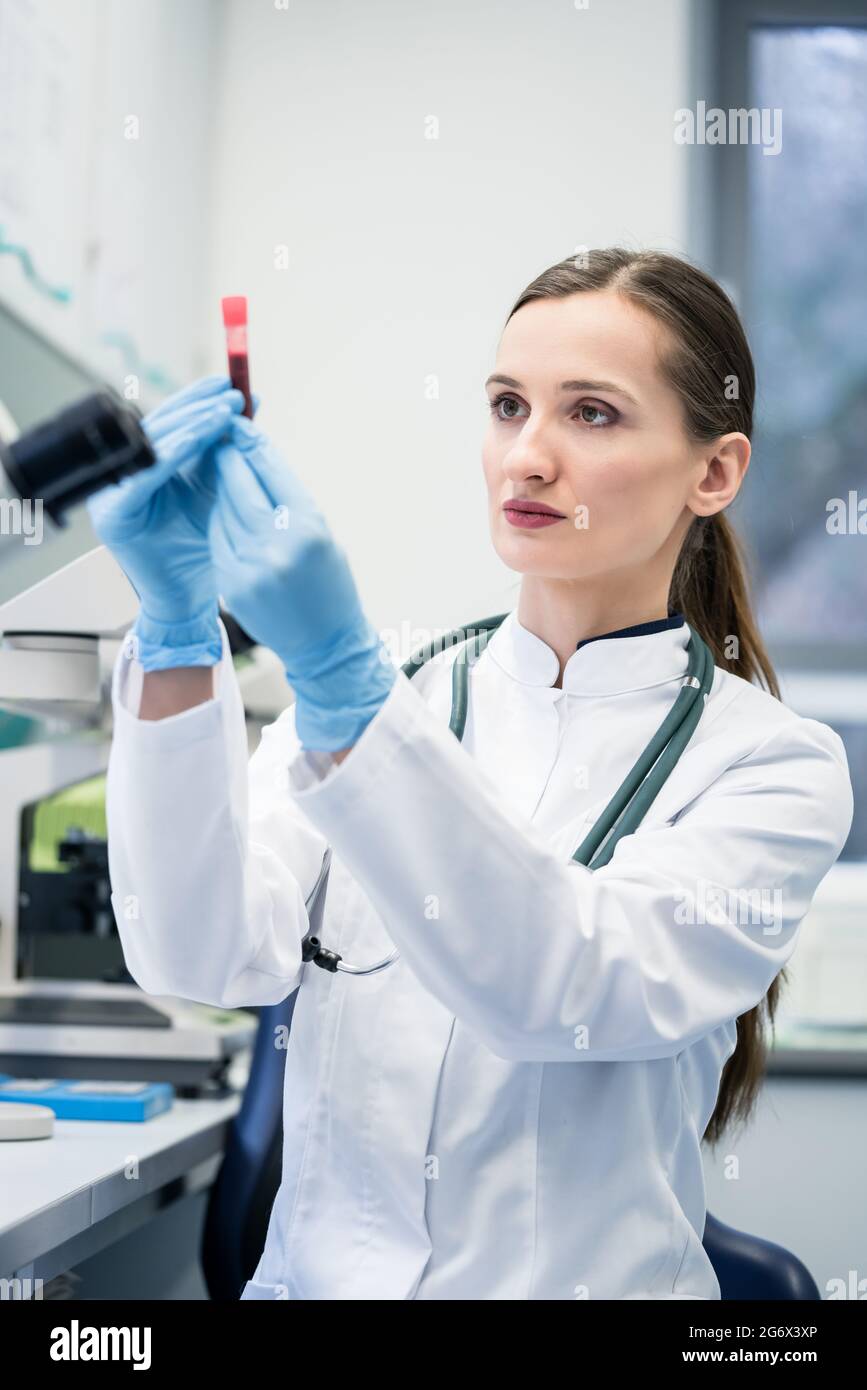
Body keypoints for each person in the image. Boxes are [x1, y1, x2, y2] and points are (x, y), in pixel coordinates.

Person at [89, 247, 853, 1300]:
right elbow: (199, 955)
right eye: (507, 405)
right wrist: (176, 628)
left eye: (591, 413)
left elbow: (565, 988)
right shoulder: (382, 700)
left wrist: (342, 682)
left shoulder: (772, 767)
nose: (526, 458)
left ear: (713, 472)